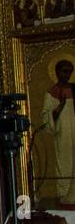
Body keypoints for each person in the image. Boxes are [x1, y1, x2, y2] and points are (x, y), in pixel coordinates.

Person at [41, 60, 75, 204]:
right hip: (63, 135)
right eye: (63, 71)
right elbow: (45, 116)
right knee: (65, 164)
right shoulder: (51, 93)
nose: (66, 74)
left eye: (69, 71)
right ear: (56, 72)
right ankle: (66, 198)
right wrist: (59, 107)